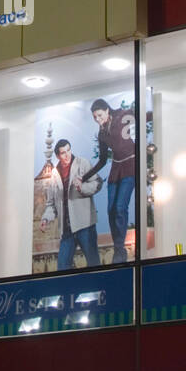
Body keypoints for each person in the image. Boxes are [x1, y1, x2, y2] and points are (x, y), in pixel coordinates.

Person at [82, 98, 137, 263]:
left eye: (99, 115)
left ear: (107, 110)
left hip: (131, 165)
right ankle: (118, 249)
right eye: (95, 118)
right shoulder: (102, 133)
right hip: (116, 169)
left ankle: (120, 252)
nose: (98, 120)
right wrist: (84, 177)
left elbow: (144, 116)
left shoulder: (123, 115)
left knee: (120, 207)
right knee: (111, 209)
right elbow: (102, 160)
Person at [38, 139, 103, 270]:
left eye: (68, 150)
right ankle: (67, 291)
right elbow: (51, 204)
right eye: (63, 153)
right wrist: (46, 218)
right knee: (62, 268)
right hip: (67, 230)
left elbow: (98, 183)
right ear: (57, 156)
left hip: (85, 225)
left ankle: (101, 290)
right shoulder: (54, 175)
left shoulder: (82, 163)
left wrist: (82, 187)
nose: (67, 154)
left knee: (94, 264)